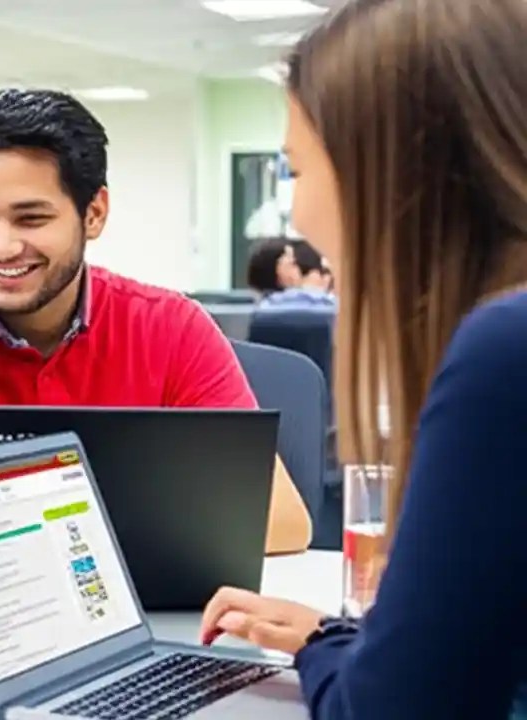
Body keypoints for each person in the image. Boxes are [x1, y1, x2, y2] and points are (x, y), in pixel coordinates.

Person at [199, 0, 527, 716]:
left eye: (295, 170)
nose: (298, 217)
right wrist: (345, 643)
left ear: (390, 170)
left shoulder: (505, 354)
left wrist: (336, 655)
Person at [0, 89, 313, 595]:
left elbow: (280, 520)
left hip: (157, 627)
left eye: (31, 218)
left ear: (93, 214)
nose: (2, 246)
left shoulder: (175, 328)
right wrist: (154, 525)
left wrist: (2, 533)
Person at [246, 237, 335, 311]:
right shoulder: (317, 304)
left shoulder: (262, 309)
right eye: (293, 264)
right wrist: (314, 291)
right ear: (279, 273)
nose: (299, 270)